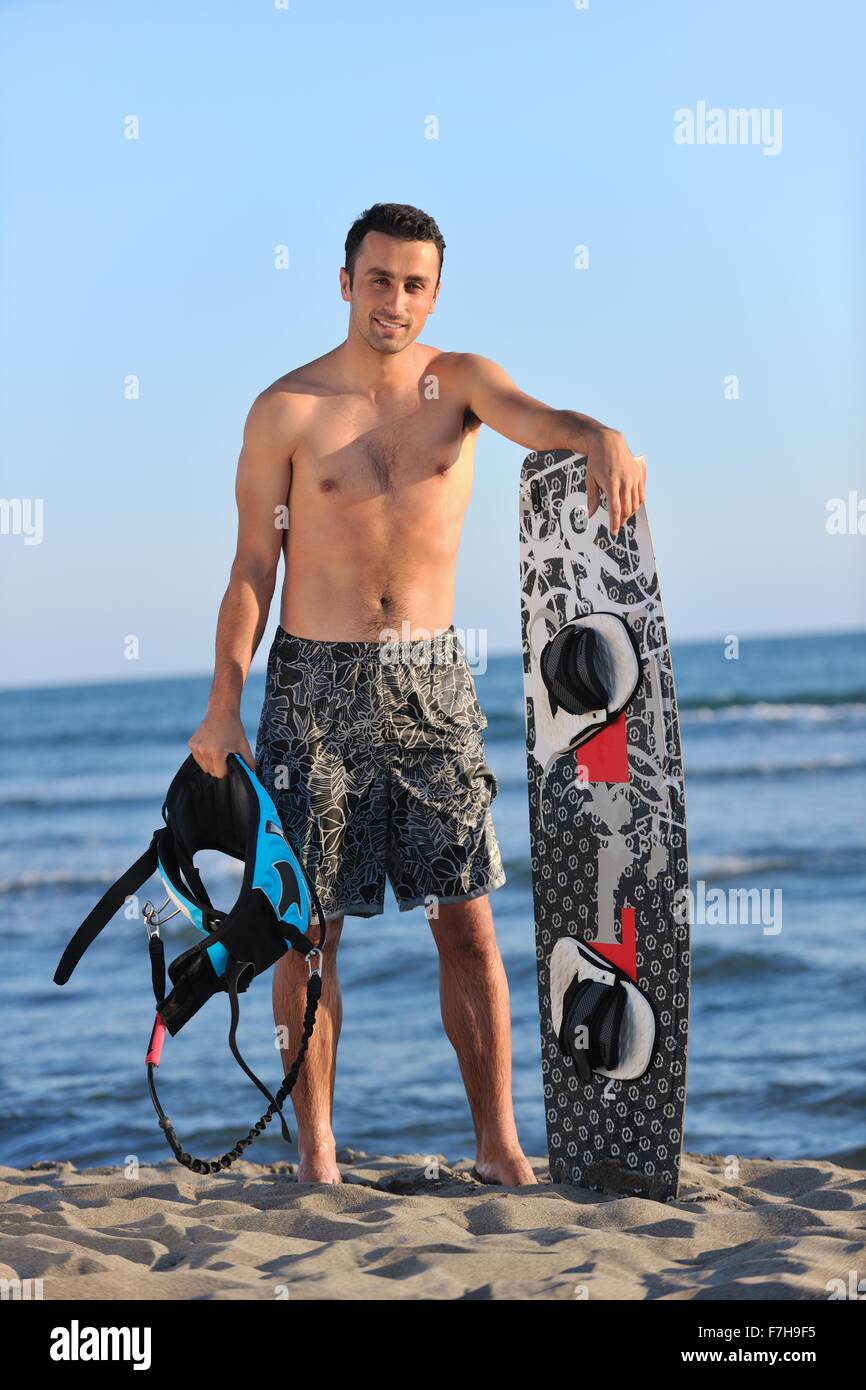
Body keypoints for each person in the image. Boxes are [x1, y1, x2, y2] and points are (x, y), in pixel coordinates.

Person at [189, 202, 646, 1185]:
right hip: (311, 684)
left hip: (431, 679)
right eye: (377, 278)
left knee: (467, 919)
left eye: (413, 283)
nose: (392, 299)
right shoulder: (287, 409)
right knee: (304, 928)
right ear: (343, 279)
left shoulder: (462, 385)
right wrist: (222, 699)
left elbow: (543, 425)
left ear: (433, 292)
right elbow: (249, 571)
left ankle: (498, 1145)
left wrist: (596, 434)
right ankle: (316, 1155)